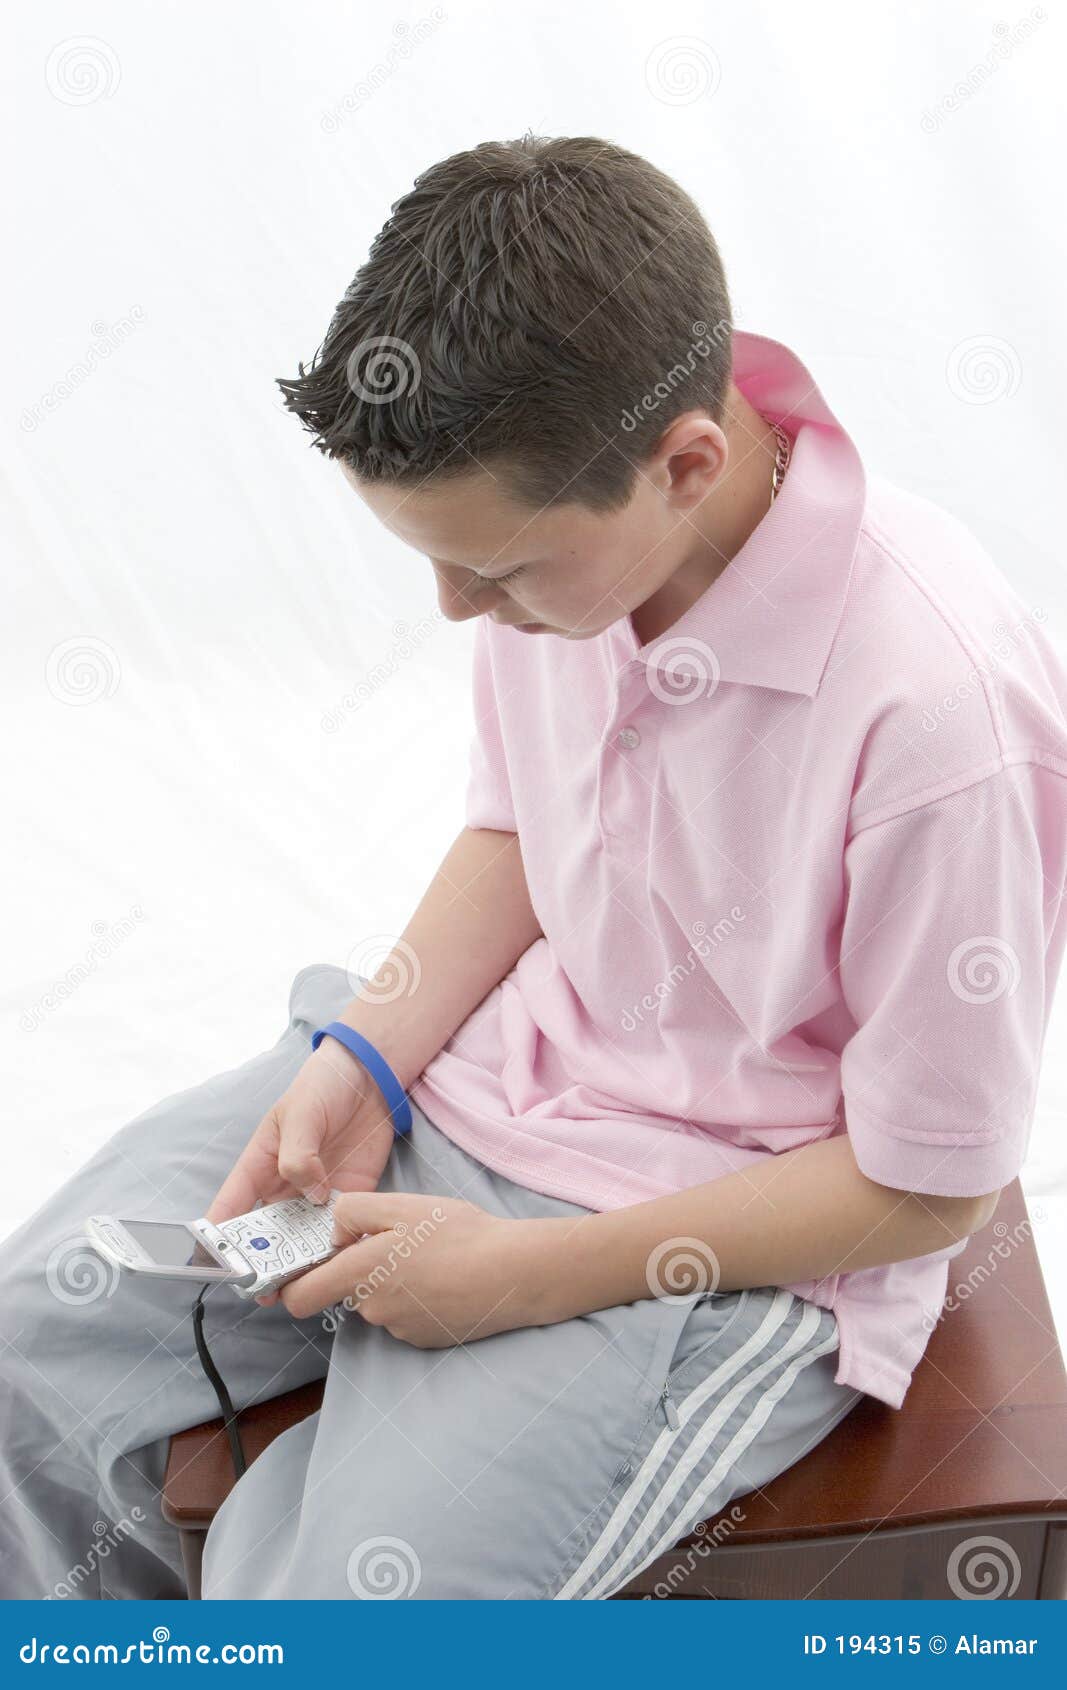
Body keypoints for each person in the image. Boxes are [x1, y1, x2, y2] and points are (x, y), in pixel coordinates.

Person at [3, 134, 1066, 1602]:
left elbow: (929, 1186)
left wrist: (517, 1278)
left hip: (725, 1235)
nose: (456, 613)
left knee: (343, 1606)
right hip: (468, 1097)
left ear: (685, 460)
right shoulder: (569, 574)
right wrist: (365, 1058)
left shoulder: (943, 708)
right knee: (23, 1355)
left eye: (493, 571)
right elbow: (519, 833)